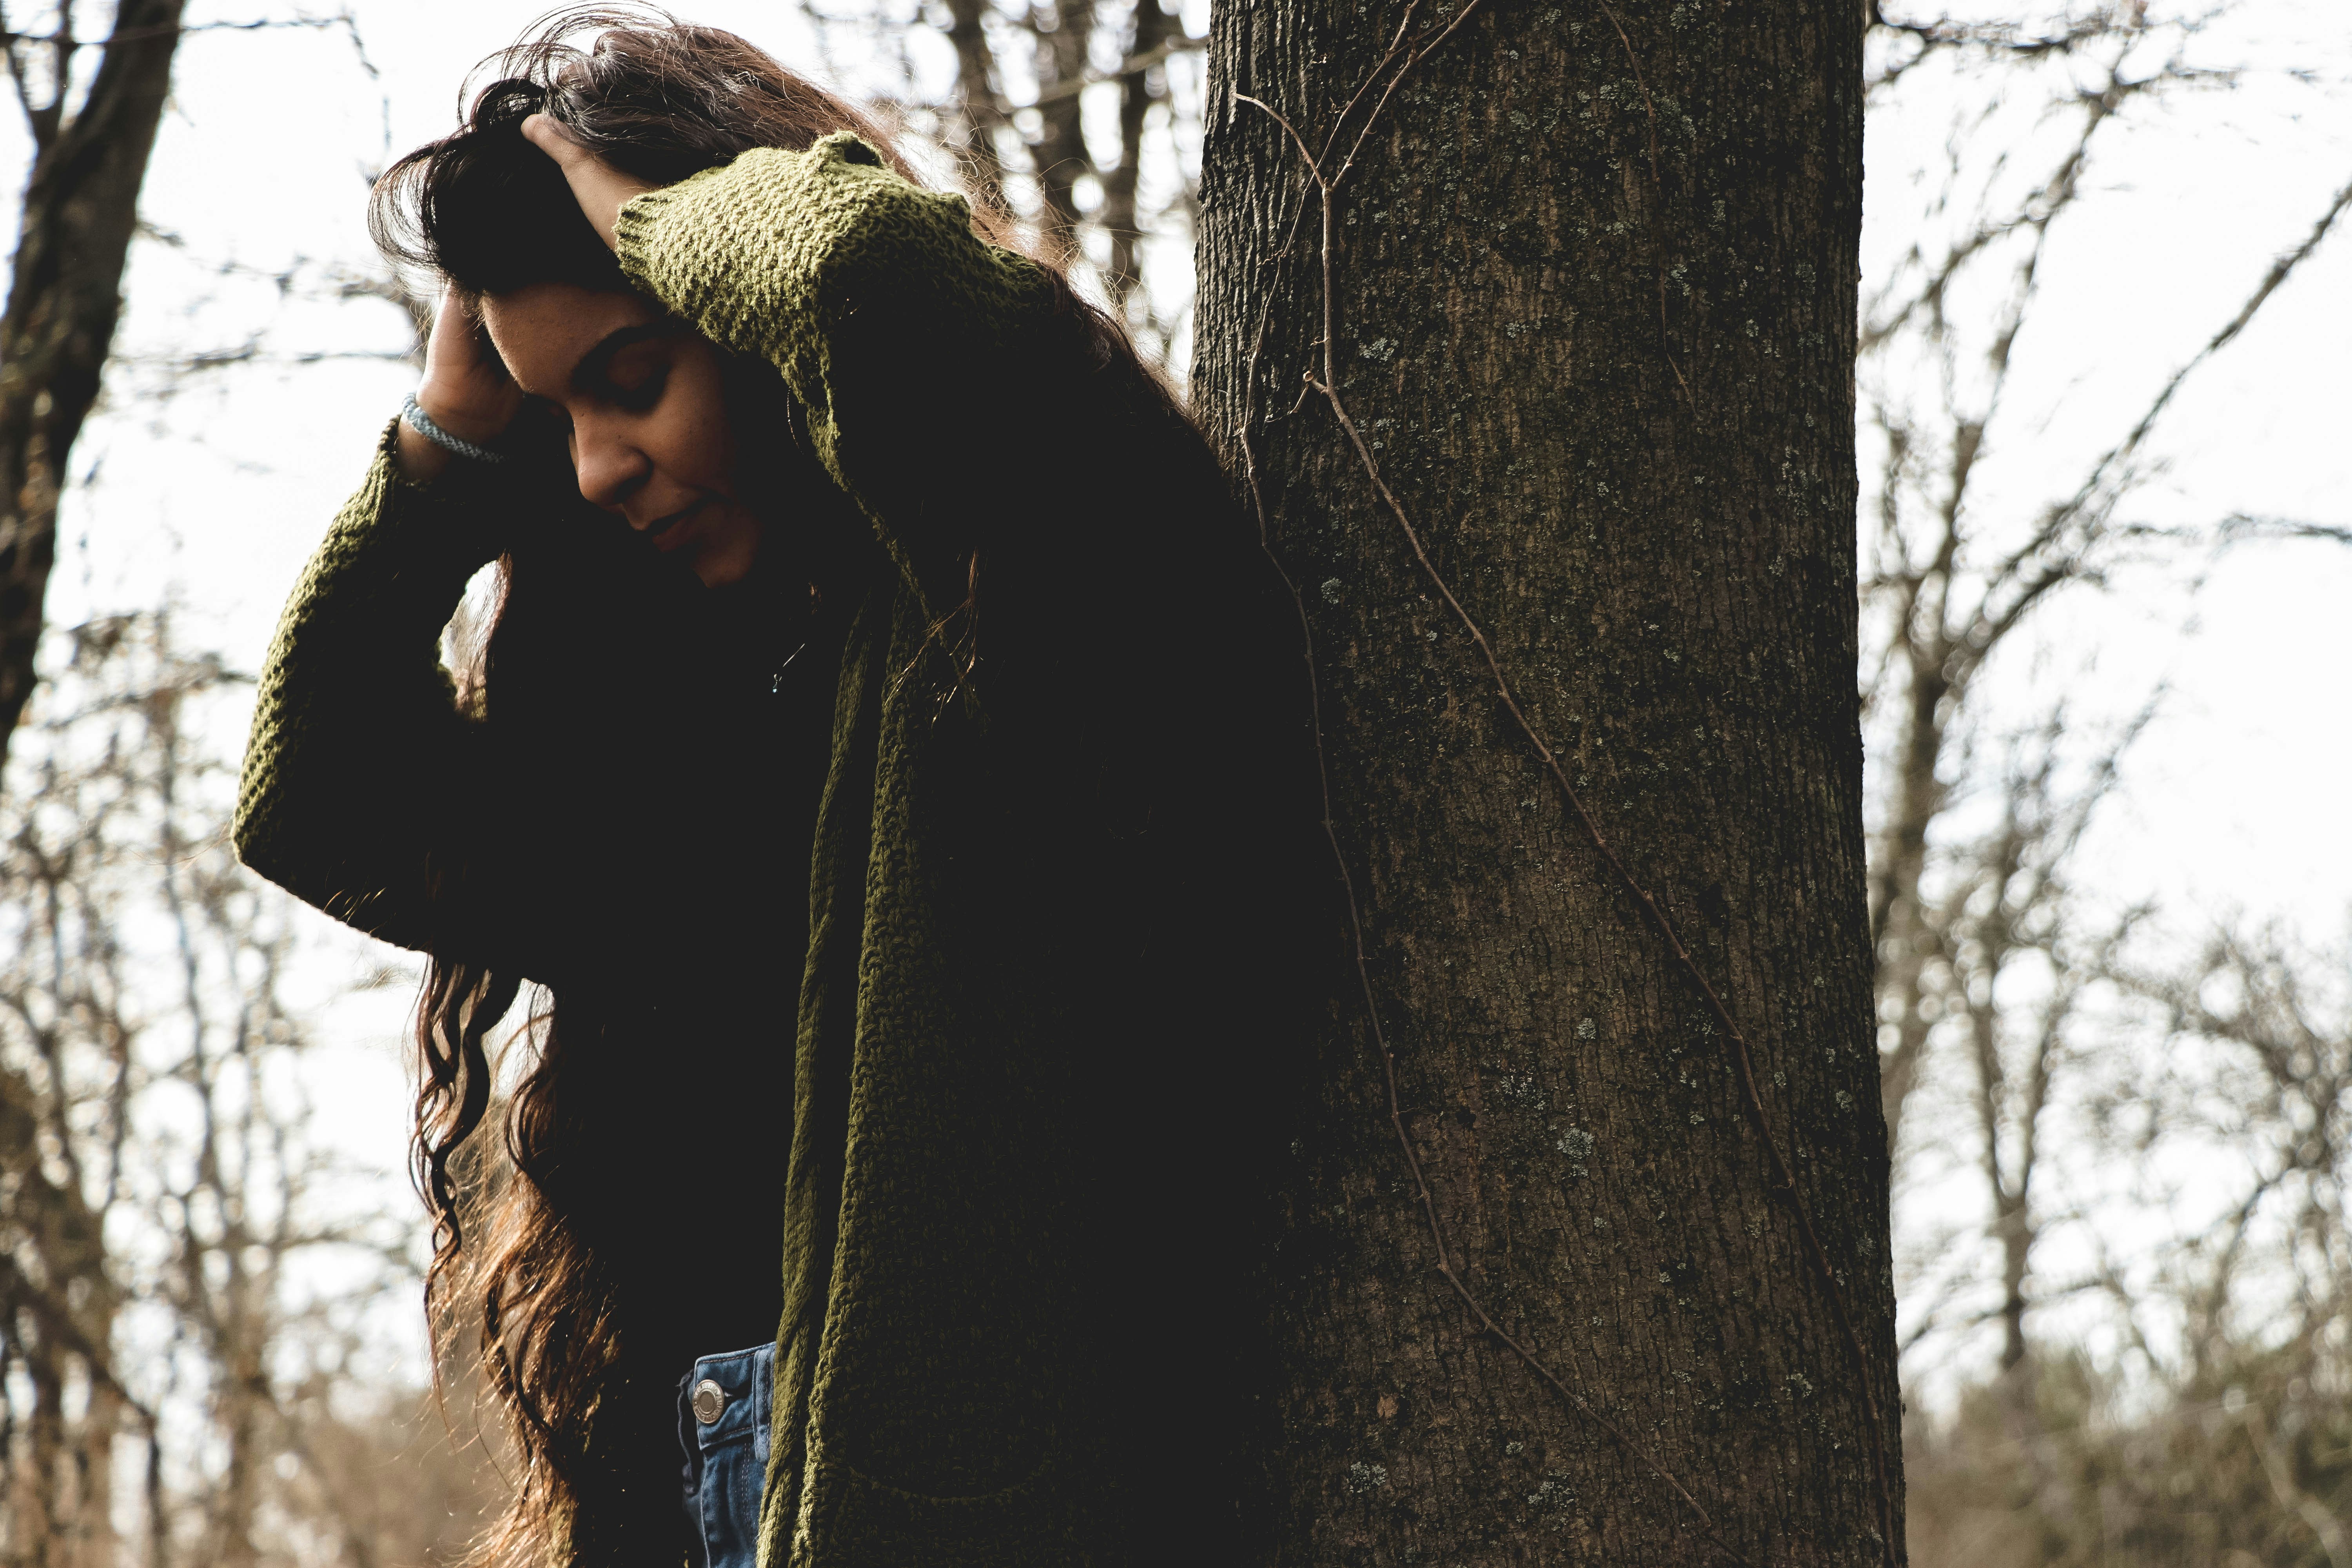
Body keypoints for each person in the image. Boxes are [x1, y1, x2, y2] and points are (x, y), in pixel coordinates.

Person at [233, 10, 1322, 1565]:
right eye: (558, 421)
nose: (598, 463)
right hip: (690, 1497)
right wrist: (448, 451)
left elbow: (875, 289)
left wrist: (640, 195)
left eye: (633, 374)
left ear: (733, 298)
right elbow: (316, 795)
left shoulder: (1009, 612)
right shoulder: (658, 724)